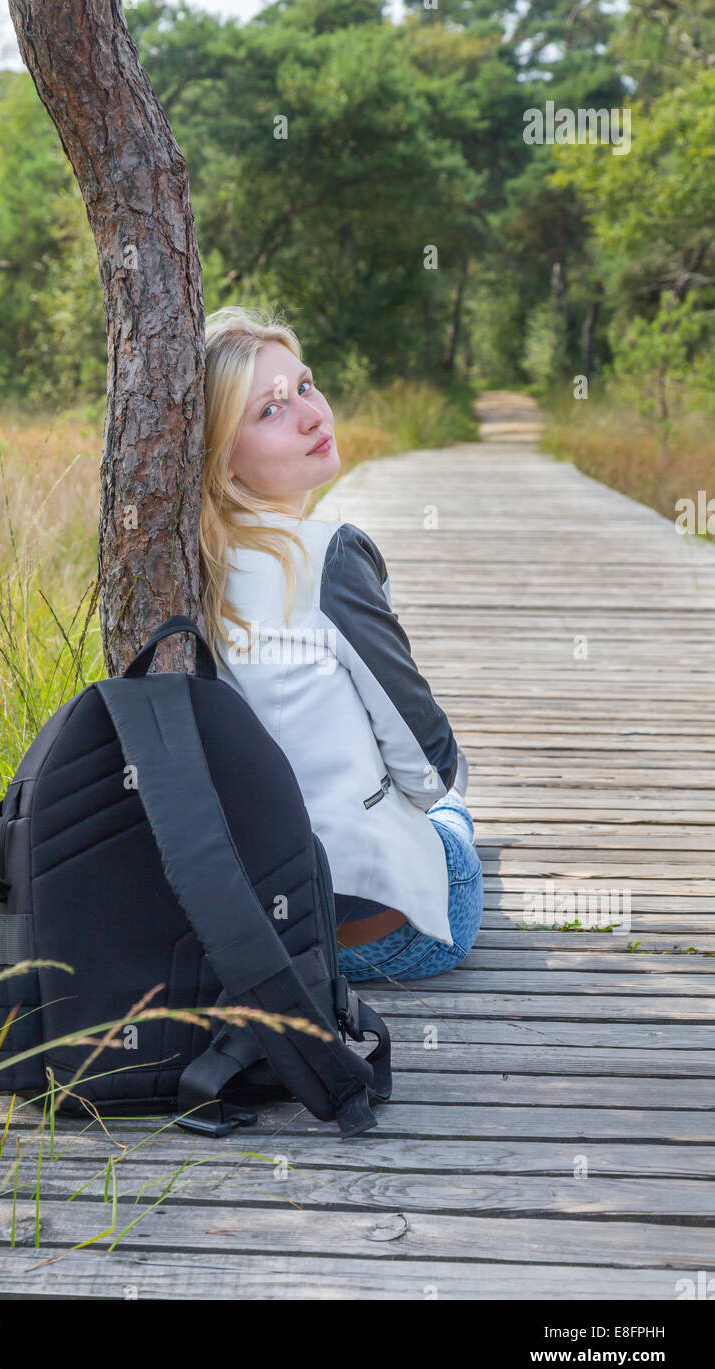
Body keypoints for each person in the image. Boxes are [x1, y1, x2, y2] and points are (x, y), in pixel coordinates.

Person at [197, 305, 483, 983]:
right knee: (454, 815)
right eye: (269, 411)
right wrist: (447, 799)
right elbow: (427, 767)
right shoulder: (329, 558)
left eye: (304, 386)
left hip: (259, 929)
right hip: (374, 934)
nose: (312, 415)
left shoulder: (196, 569)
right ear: (218, 453)